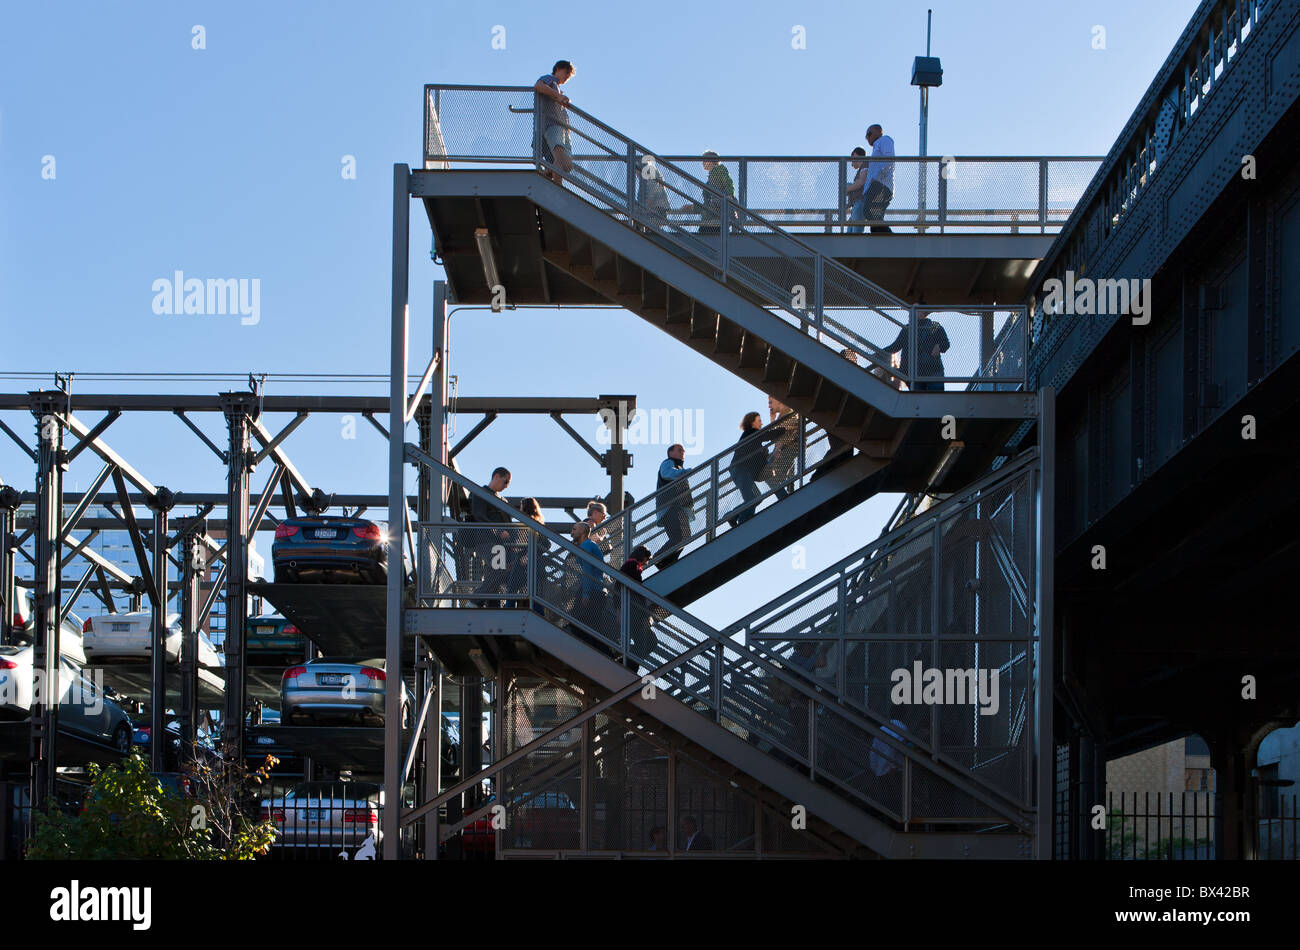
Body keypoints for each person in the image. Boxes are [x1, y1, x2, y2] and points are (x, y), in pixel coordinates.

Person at [810, 350, 860, 480]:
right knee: (842, 449)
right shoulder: (847, 378)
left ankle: (821, 476)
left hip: (837, 419)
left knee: (842, 450)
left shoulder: (837, 376)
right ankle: (819, 476)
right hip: (837, 419)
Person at [467, 466, 514, 606]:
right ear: (496, 477)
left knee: (495, 572)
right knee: (498, 570)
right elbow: (479, 515)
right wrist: (499, 531)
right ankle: (476, 601)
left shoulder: (503, 500)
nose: (506, 486)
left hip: (500, 543)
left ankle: (491, 605)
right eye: (505, 482)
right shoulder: (480, 493)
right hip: (486, 540)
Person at [882, 311, 950, 391]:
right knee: (918, 401)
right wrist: (879, 352)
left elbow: (945, 344)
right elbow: (896, 346)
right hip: (913, 372)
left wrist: (939, 346)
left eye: (915, 311)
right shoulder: (907, 329)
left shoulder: (934, 326)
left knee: (935, 399)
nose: (910, 313)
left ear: (923, 312)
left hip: (933, 370)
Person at [534, 61, 576, 182]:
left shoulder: (558, 89)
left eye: (569, 75)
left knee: (567, 165)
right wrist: (558, 97)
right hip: (552, 125)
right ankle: (558, 188)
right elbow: (538, 86)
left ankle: (546, 171)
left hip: (562, 129)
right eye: (566, 72)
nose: (567, 76)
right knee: (559, 157)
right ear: (558, 69)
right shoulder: (549, 79)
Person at [654, 444, 692, 569]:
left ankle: (667, 562)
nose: (682, 453)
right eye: (679, 450)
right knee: (680, 536)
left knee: (685, 536)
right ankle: (658, 558)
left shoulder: (679, 467)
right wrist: (687, 472)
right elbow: (667, 474)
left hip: (676, 507)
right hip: (669, 507)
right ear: (670, 453)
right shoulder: (668, 463)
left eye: (683, 451)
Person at [728, 411, 768, 527]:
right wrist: (782, 430)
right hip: (740, 469)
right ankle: (738, 519)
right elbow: (768, 435)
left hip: (742, 471)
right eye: (759, 420)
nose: (761, 423)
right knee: (753, 499)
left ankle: (737, 517)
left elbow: (760, 460)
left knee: (756, 498)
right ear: (752, 422)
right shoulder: (751, 432)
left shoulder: (754, 438)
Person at [619, 545, 657, 667]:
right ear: (642, 557)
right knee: (648, 643)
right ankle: (626, 664)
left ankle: (626, 661)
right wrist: (645, 615)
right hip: (634, 612)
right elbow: (637, 592)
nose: (646, 563)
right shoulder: (632, 566)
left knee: (648, 643)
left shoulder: (629, 566)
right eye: (646, 560)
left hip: (632, 611)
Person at [568, 521, 607, 633]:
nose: (571, 533)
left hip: (593, 590)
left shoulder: (586, 545)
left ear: (583, 531)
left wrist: (586, 593)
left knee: (579, 625)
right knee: (590, 627)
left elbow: (587, 570)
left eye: (574, 529)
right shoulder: (588, 545)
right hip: (596, 589)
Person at [692, 150, 735, 235]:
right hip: (714, 215)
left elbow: (728, 183)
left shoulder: (718, 170)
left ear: (712, 161)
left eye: (705, 160)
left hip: (716, 215)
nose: (703, 163)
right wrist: (693, 207)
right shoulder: (712, 176)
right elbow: (708, 201)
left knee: (704, 235)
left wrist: (730, 196)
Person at [862, 124, 895, 233]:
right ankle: (879, 238)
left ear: (878, 132)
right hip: (875, 185)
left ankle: (889, 237)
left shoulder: (884, 140)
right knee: (874, 215)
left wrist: (877, 177)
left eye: (869, 134)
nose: (867, 137)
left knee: (869, 211)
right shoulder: (876, 147)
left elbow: (889, 159)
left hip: (881, 184)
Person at [767, 397, 800, 500]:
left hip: (788, 447)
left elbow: (785, 431)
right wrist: (772, 421)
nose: (769, 406)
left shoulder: (789, 413)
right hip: (785, 449)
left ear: (779, 401)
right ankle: (788, 494)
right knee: (774, 475)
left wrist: (778, 448)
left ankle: (785, 498)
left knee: (768, 475)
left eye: (771, 402)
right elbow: (775, 435)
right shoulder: (781, 416)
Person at [637, 154, 671, 229]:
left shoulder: (649, 171)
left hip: (657, 210)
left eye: (636, 171)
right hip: (655, 210)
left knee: (635, 214)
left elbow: (653, 189)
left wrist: (645, 206)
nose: (636, 174)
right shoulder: (648, 173)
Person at [845, 146, 870, 233]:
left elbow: (861, 181)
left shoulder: (866, 164)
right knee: (849, 233)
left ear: (855, 155)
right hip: (856, 205)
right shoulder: (862, 168)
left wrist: (848, 189)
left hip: (860, 202)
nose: (852, 164)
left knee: (856, 235)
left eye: (852, 160)